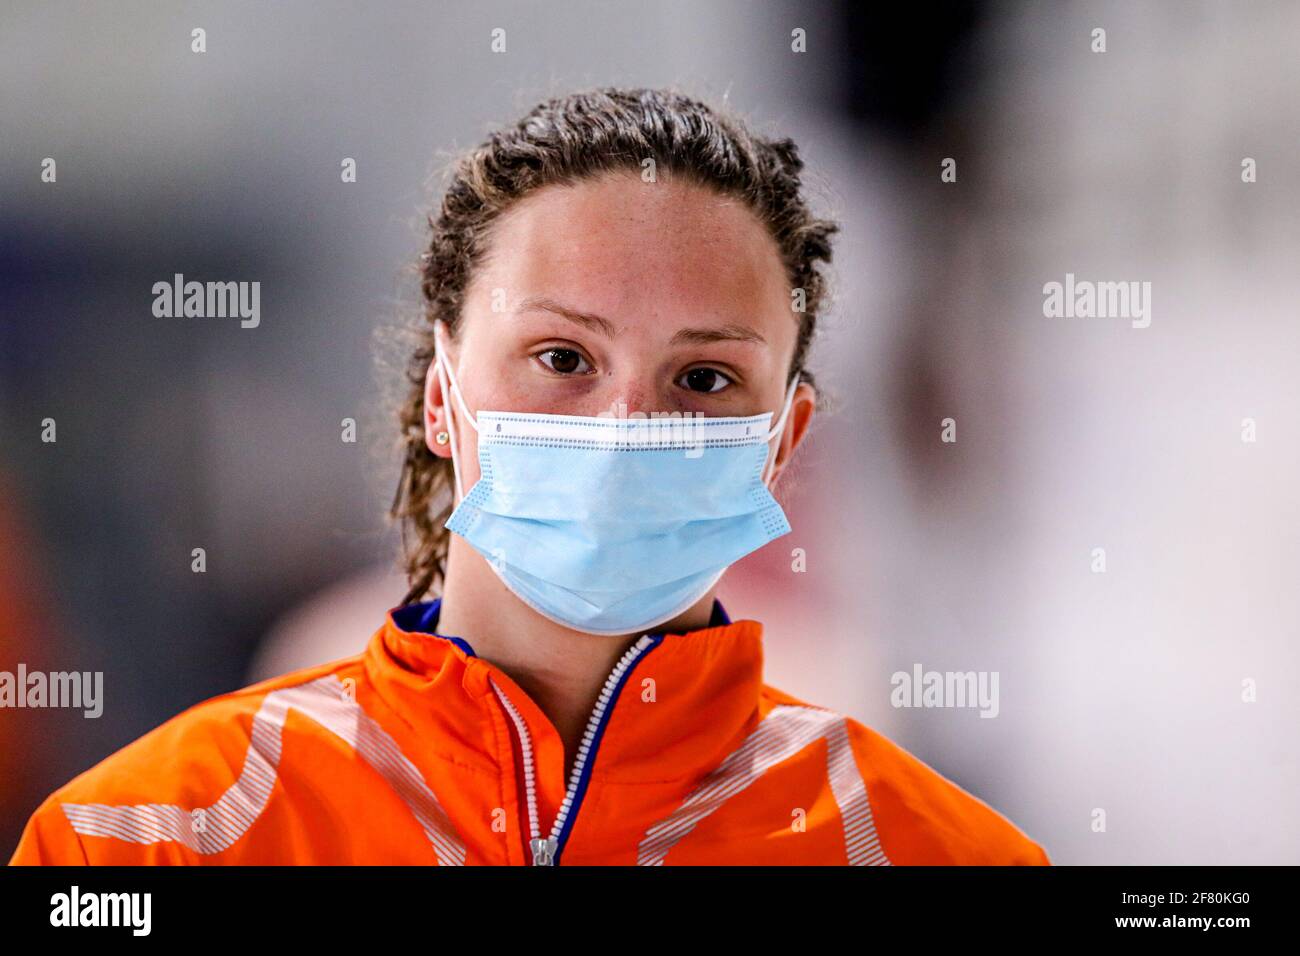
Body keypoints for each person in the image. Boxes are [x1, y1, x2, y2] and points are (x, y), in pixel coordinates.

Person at [10, 87, 1049, 865]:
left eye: (703, 374)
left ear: (781, 438)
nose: (626, 421)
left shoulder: (932, 851)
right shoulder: (140, 839)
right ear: (440, 394)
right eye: (561, 358)